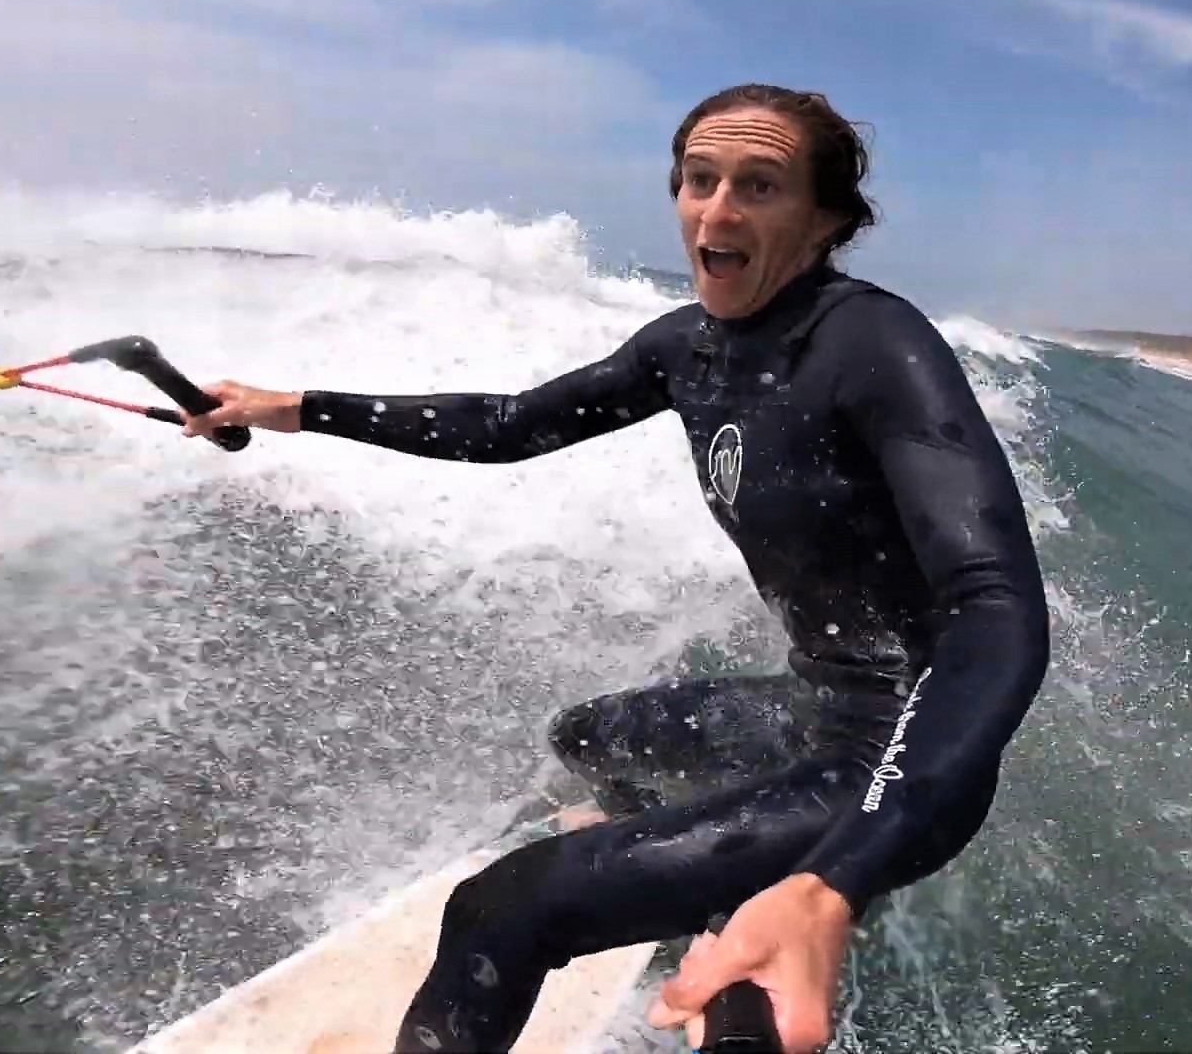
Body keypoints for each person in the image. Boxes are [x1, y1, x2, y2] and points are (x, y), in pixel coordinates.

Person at [182, 82, 1053, 1054]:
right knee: (589, 737)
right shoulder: (687, 348)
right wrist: (295, 408)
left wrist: (830, 883)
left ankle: (761, 912)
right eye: (699, 180)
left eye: (759, 186)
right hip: (811, 708)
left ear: (824, 221)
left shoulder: (871, 344)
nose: (717, 212)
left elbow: (992, 607)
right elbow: (508, 425)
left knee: (498, 910)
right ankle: (706, 889)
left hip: (896, 755)